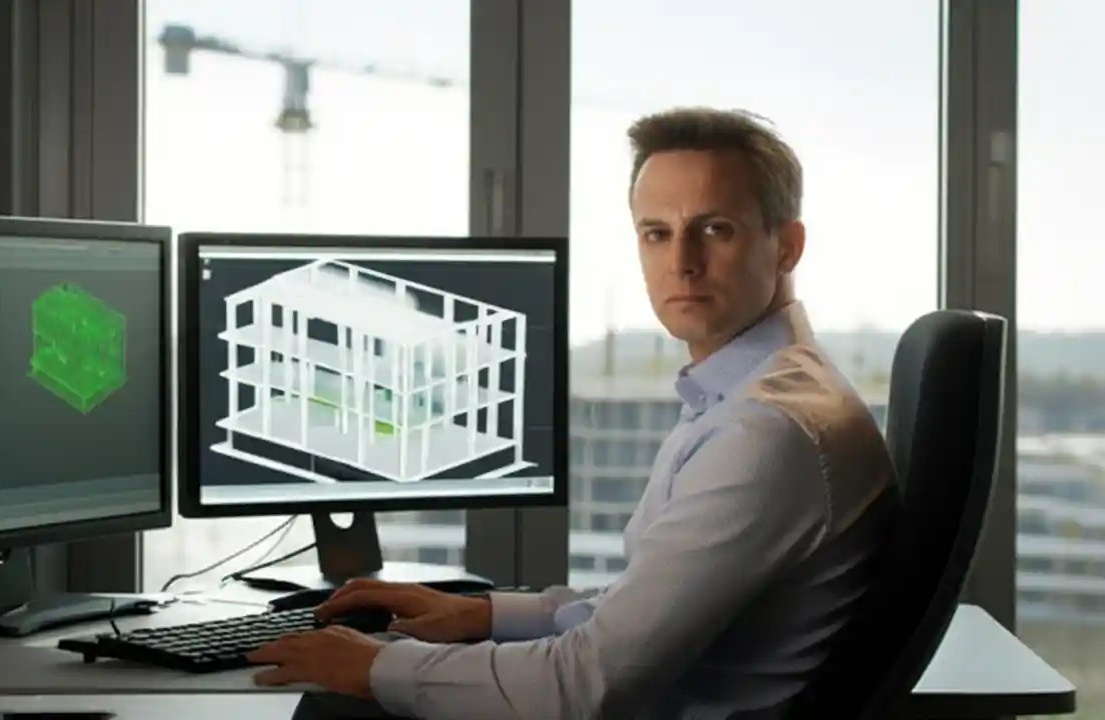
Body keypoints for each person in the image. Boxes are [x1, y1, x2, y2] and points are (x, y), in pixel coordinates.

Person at [248, 107, 901, 719]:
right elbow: (638, 613)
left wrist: (379, 665)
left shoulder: (766, 433)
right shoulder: (766, 389)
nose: (682, 263)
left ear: (787, 247)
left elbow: (583, 684)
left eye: (715, 229)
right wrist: (484, 614)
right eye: (657, 233)